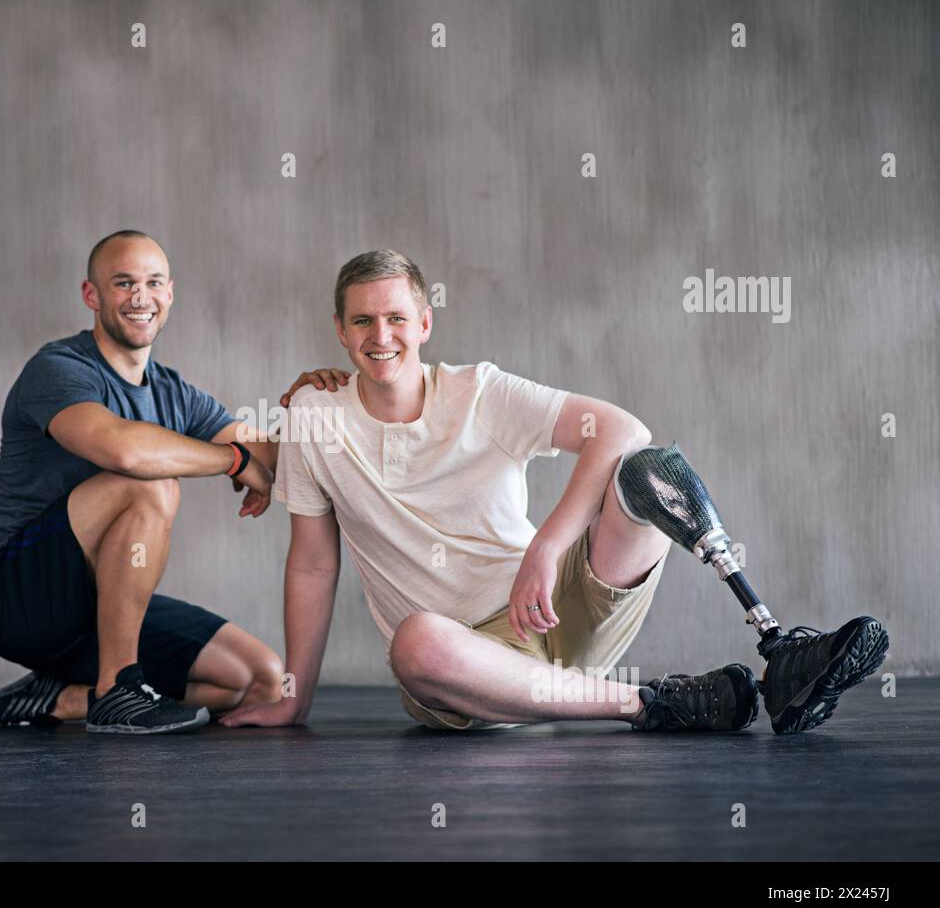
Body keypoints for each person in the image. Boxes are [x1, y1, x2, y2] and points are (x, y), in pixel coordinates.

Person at [222, 249, 887, 734]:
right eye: (362, 322)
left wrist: (546, 546)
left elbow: (621, 427)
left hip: (557, 604)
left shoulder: (478, 390)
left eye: (395, 318)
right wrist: (294, 696)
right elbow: (312, 561)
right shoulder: (314, 415)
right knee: (415, 642)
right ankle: (656, 702)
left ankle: (777, 644)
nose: (380, 337)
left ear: (424, 322)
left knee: (646, 466)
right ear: (339, 330)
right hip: (465, 665)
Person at [0, 230, 344, 734]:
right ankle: (117, 690)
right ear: (91, 295)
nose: (141, 297)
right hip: (13, 600)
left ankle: (65, 697)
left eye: (153, 282)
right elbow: (126, 450)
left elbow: (271, 450)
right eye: (123, 283)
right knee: (150, 485)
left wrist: (326, 404)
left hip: (94, 611)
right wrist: (232, 461)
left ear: (169, 293)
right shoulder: (57, 369)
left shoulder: (172, 391)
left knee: (260, 680)